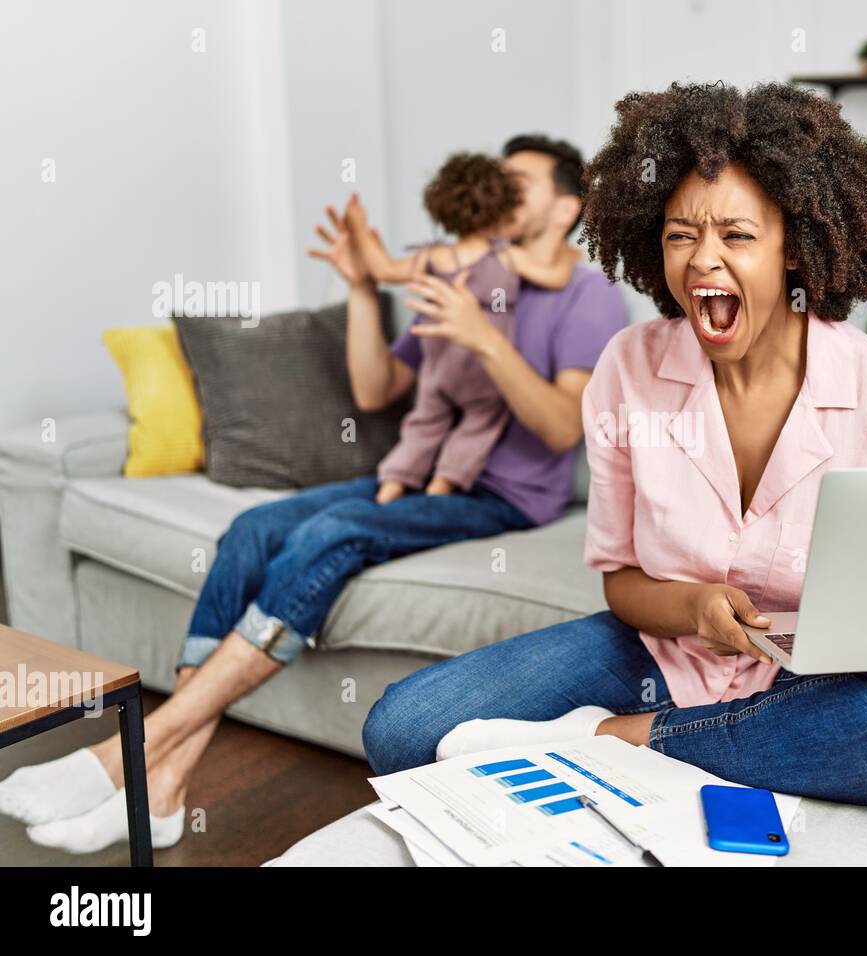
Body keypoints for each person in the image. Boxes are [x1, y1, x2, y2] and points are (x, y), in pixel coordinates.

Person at [361, 83, 867, 808]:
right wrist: (696, 607)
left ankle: (616, 742)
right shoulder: (628, 369)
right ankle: (719, 742)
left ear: (795, 247)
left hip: (822, 679)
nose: (702, 260)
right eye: (679, 234)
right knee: (402, 731)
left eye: (736, 235)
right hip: (663, 654)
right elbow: (622, 580)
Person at [0, 134, 627, 853]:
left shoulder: (590, 296)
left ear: (566, 206)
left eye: (519, 183)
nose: (501, 192)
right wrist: (363, 285)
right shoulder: (464, 270)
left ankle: (130, 751)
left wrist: (486, 341)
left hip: (505, 494)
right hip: (415, 470)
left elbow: (557, 428)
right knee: (254, 529)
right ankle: (164, 789)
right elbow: (377, 389)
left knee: (330, 535)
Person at [342, 152, 576, 502]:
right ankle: (443, 485)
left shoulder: (433, 257)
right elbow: (557, 276)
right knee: (479, 424)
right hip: (481, 375)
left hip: (438, 368)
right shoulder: (504, 256)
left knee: (423, 423)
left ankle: (392, 484)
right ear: (503, 207)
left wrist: (359, 231)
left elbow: (383, 270)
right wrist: (572, 254)